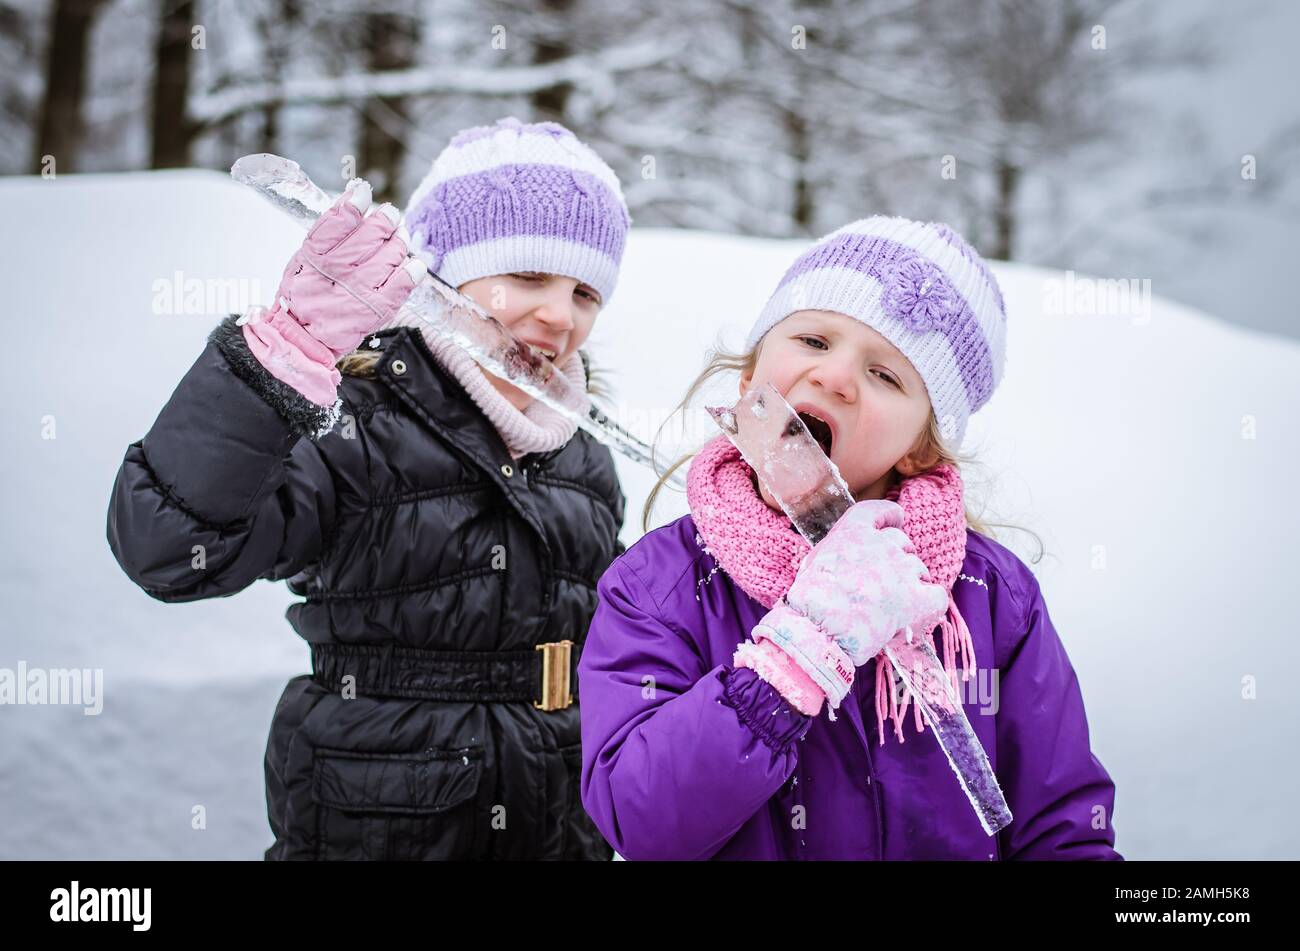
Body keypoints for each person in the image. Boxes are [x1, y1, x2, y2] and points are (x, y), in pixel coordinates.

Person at [107, 117, 630, 859]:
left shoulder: (586, 462)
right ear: (439, 278)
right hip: (376, 820)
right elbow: (168, 546)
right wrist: (278, 362)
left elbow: (637, 634)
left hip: (557, 826)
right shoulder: (357, 426)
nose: (560, 315)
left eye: (586, 292)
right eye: (528, 276)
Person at [578, 216, 1122, 860]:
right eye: (812, 338)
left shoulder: (990, 599)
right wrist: (795, 655)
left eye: (887, 376)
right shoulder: (661, 587)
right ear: (751, 374)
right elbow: (640, 819)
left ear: (921, 447)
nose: (834, 378)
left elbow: (1062, 830)